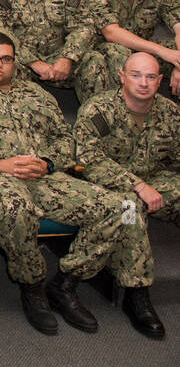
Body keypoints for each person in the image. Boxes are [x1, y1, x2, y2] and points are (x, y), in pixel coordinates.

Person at [0, 32, 158, 337]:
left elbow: (65, 139)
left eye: (6, 58)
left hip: (44, 177)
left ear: (15, 62)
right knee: (16, 209)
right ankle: (32, 288)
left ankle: (65, 282)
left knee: (124, 206)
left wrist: (47, 162)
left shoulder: (38, 95)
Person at [74, 51, 176, 337]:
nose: (143, 83)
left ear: (160, 80)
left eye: (150, 77)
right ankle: (137, 294)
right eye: (136, 75)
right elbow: (89, 159)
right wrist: (137, 185)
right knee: (131, 206)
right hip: (111, 183)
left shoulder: (170, 113)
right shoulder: (99, 109)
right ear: (122, 76)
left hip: (155, 179)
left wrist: (148, 185)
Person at [80, 0, 180, 98]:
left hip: (144, 46)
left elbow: (178, 25)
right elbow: (111, 33)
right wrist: (162, 52)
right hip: (106, 49)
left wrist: (178, 62)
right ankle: (124, 109)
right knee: (123, 56)